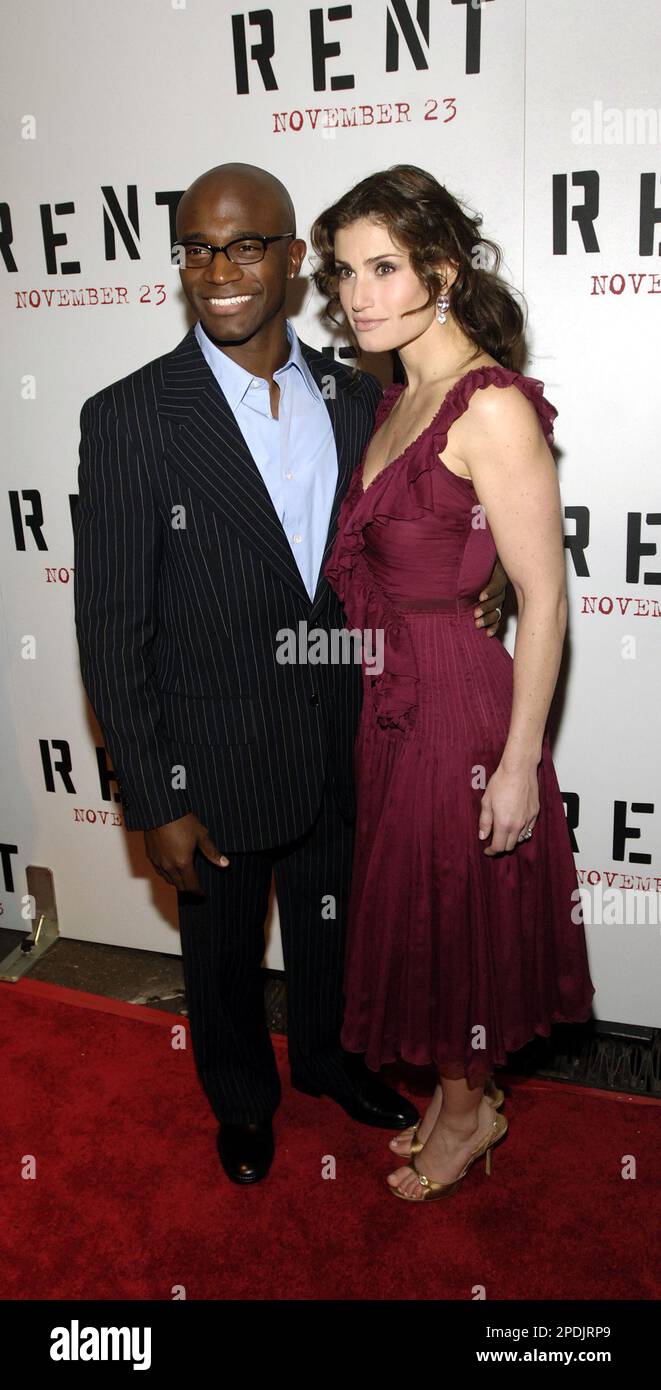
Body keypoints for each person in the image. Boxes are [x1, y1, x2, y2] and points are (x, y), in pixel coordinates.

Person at [72, 162, 508, 1186]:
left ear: (294, 260)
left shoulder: (362, 397)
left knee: (337, 926)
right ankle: (241, 1099)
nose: (218, 269)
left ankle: (328, 1059)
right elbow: (108, 625)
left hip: (351, 732)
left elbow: (421, 540)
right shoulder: (131, 416)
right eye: (196, 248)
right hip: (213, 756)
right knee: (221, 958)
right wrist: (155, 790)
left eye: (245, 245)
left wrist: (481, 591)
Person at [311, 163, 596, 1202]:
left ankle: (469, 1115)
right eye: (343, 273)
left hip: (459, 716)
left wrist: (518, 763)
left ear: (440, 269)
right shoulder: (401, 393)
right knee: (424, 912)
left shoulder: (490, 408)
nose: (357, 296)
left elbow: (544, 598)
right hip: (394, 709)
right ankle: (452, 1092)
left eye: (383, 269)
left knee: (450, 914)